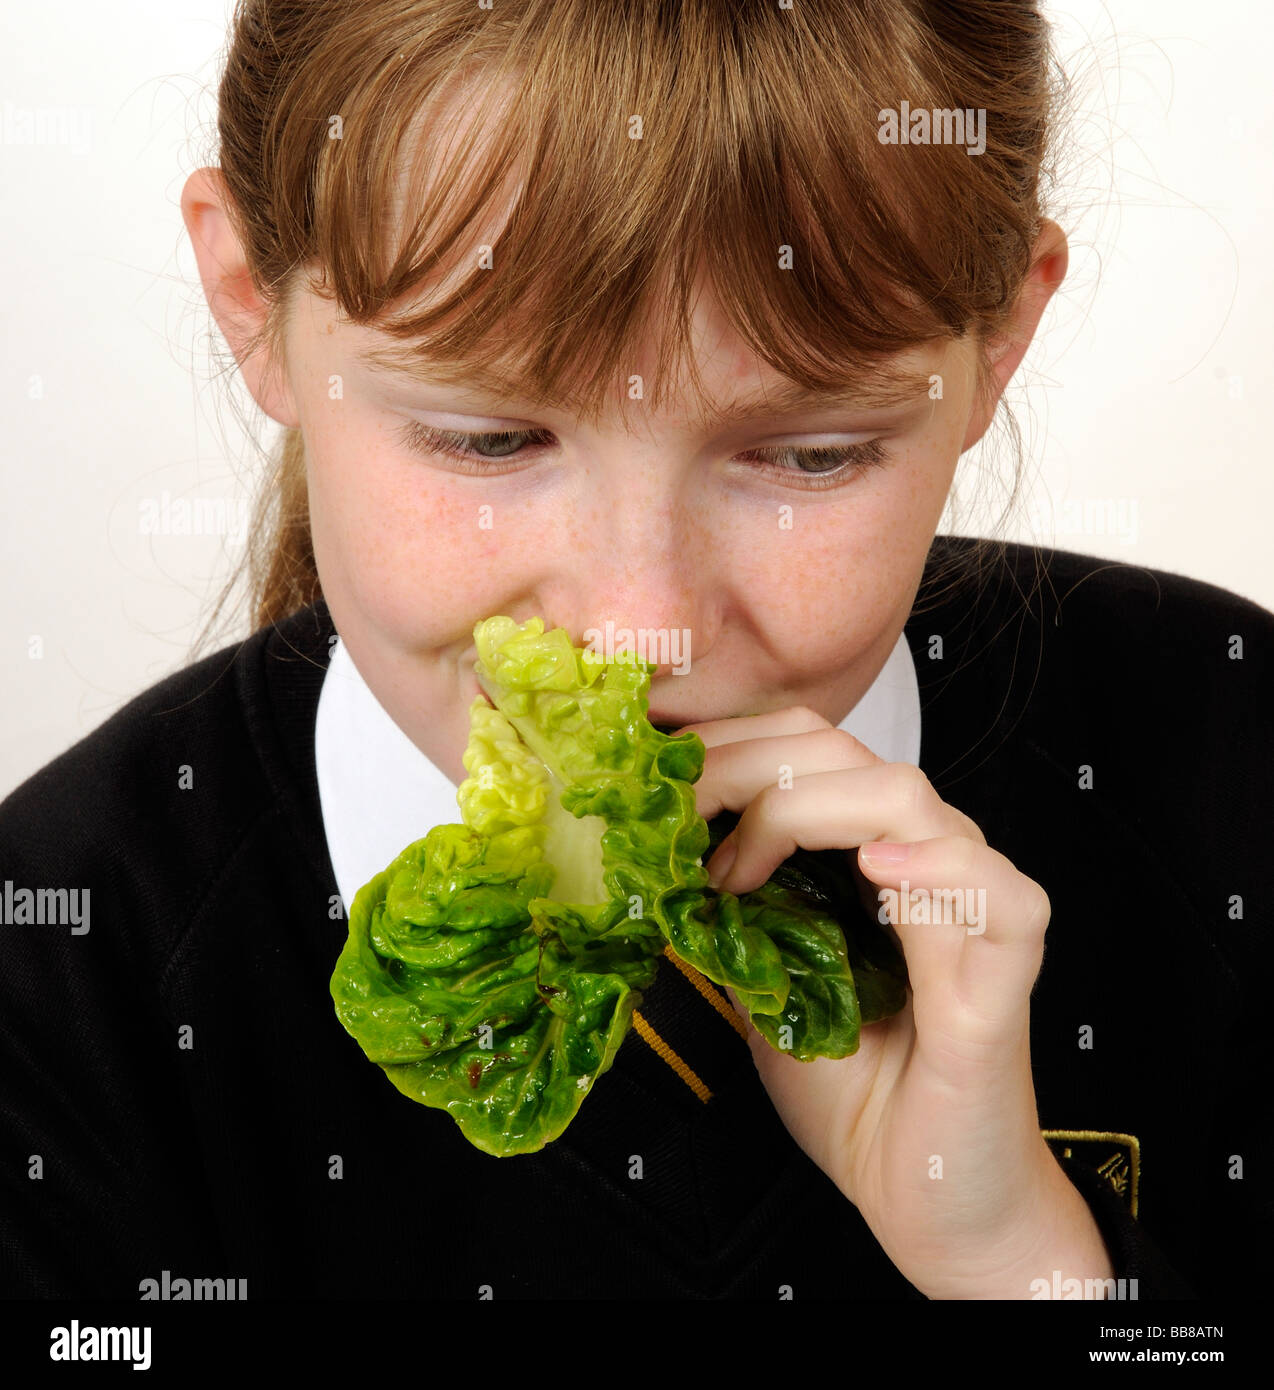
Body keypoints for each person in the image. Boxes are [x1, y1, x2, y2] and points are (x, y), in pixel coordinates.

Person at [1, 0, 1268, 1302]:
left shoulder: (1232, 758)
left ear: (996, 344)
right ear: (248, 303)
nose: (635, 622)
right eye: (487, 440)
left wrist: (1023, 1265)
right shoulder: (58, 988)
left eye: (809, 454)